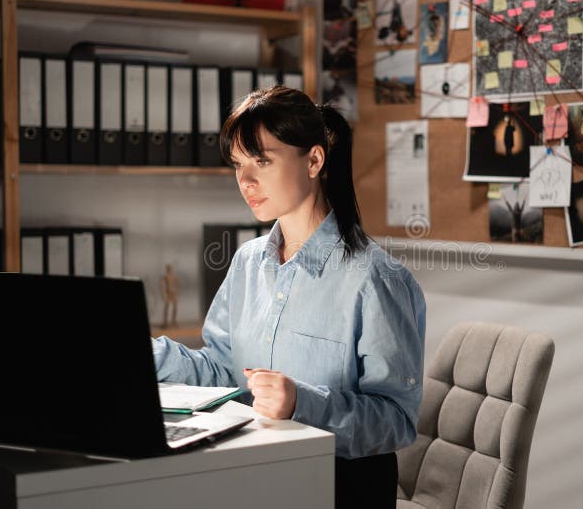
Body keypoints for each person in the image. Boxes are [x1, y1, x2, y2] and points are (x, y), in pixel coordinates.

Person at [151, 85, 426, 509]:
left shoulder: (375, 279)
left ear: (314, 160)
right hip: (256, 478)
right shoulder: (247, 262)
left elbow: (396, 421)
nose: (245, 180)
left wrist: (302, 402)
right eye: (239, 164)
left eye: (262, 160)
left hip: (336, 488)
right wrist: (141, 355)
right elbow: (223, 372)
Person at [159, 263, 179, 328]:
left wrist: (178, 292)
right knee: (166, 307)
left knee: (175, 307)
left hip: (173, 293)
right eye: (168, 268)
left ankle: (173, 321)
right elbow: (161, 285)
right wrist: (162, 293)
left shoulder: (174, 276)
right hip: (168, 293)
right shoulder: (165, 276)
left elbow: (178, 284)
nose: (169, 269)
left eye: (170, 268)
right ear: (167, 269)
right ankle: (165, 322)